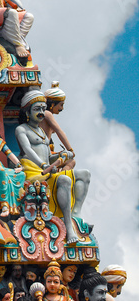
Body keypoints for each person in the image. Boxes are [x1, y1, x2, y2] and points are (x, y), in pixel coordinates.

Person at [15, 89, 91, 244]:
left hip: (46, 168)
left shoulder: (42, 132)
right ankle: (69, 227)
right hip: (33, 171)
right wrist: (44, 165)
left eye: (43, 108)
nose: (42, 112)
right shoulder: (21, 129)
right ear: (28, 112)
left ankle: (76, 214)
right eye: (37, 109)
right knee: (64, 180)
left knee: (84, 174)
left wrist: (61, 156)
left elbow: (47, 155)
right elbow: (28, 150)